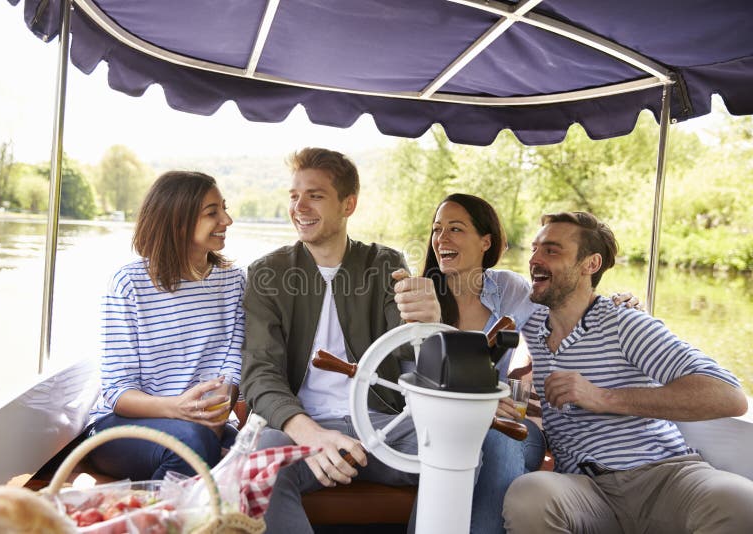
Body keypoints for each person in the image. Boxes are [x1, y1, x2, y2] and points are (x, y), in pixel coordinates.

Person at [503, 211, 753, 533]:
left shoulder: (625, 323)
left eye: (551, 250)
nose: (535, 259)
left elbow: (728, 396)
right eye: (535, 248)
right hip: (585, 489)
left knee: (740, 500)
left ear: (590, 265)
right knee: (529, 495)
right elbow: (477, 291)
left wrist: (602, 397)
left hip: (665, 478)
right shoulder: (530, 320)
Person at [240, 147, 441, 533]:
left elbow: (409, 350)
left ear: (348, 205)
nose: (299, 206)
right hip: (301, 426)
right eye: (294, 196)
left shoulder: (385, 263)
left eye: (315, 195)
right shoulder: (268, 272)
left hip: (382, 427)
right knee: (260, 456)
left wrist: (429, 322)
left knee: (458, 449)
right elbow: (259, 375)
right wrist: (310, 434)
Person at [422, 194, 640, 534]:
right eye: (437, 229)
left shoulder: (510, 289)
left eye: (455, 229)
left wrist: (613, 304)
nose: (442, 239)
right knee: (452, 446)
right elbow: (409, 379)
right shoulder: (420, 299)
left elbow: (566, 304)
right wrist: (479, 399)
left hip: (509, 423)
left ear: (485, 242)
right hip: (444, 423)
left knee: (500, 435)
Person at [88, 171, 245, 480]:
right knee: (192, 444)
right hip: (122, 427)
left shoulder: (234, 281)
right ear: (178, 222)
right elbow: (118, 392)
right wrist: (178, 409)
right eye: (212, 212)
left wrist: (216, 413)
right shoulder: (127, 284)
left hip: (205, 425)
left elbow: (233, 362)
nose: (226, 220)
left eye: (223, 208)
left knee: (261, 451)